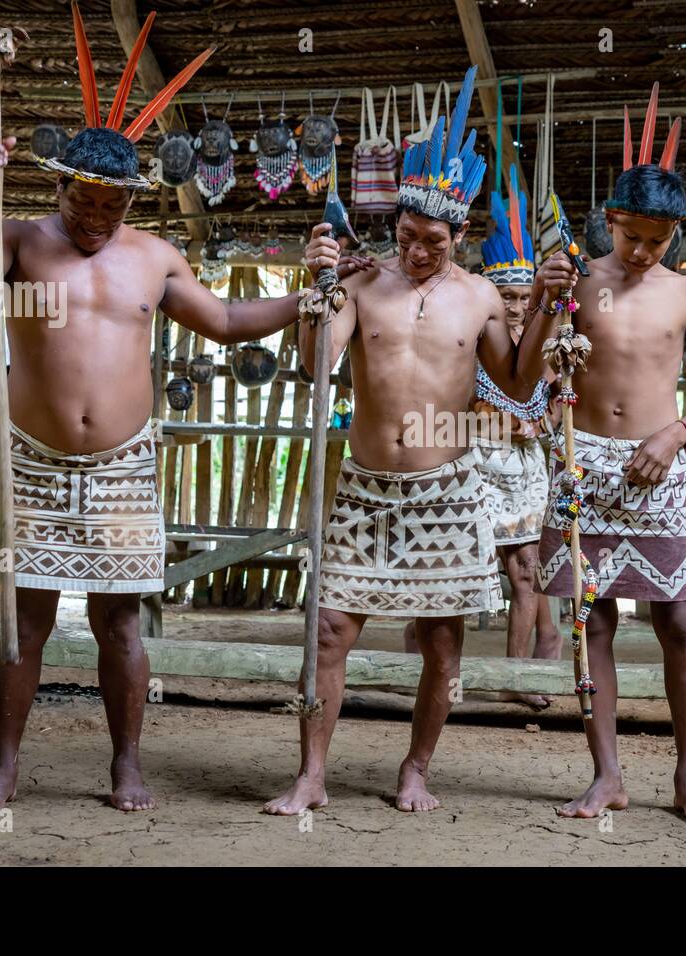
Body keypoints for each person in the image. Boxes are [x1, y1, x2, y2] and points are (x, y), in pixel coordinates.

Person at [0, 5, 357, 813]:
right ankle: (3, 766)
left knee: (121, 625)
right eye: (86, 201)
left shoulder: (155, 256)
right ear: (61, 185)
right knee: (22, 626)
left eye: (114, 206)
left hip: (125, 462)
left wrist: (306, 297)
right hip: (34, 456)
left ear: (132, 199)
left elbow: (229, 321)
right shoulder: (22, 239)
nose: (98, 218)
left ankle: (126, 762)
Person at [264, 67, 567, 815]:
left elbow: (522, 383)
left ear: (460, 234)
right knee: (329, 632)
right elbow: (316, 363)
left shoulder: (482, 296)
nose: (419, 251)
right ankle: (311, 775)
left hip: (446, 489)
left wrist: (553, 310)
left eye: (433, 241)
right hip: (366, 488)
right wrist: (317, 291)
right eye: (407, 237)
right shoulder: (362, 284)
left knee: (442, 643)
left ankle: (417, 770)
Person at [535, 85, 686, 823]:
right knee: (594, 621)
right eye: (632, 237)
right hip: (582, 466)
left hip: (659, 467)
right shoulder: (576, 283)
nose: (645, 252)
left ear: (675, 233)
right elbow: (535, 368)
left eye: (659, 239)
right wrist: (539, 305)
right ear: (610, 222)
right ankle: (607, 775)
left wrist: (673, 434)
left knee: (679, 622)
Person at [402, 170, 562, 709]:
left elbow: (553, 406)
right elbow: (451, 401)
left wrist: (547, 418)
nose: (517, 306)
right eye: (509, 296)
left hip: (526, 472)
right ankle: (414, 674)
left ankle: (514, 678)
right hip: (469, 462)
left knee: (524, 573)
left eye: (525, 296)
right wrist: (497, 420)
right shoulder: (472, 332)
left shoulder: (549, 344)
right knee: (442, 574)